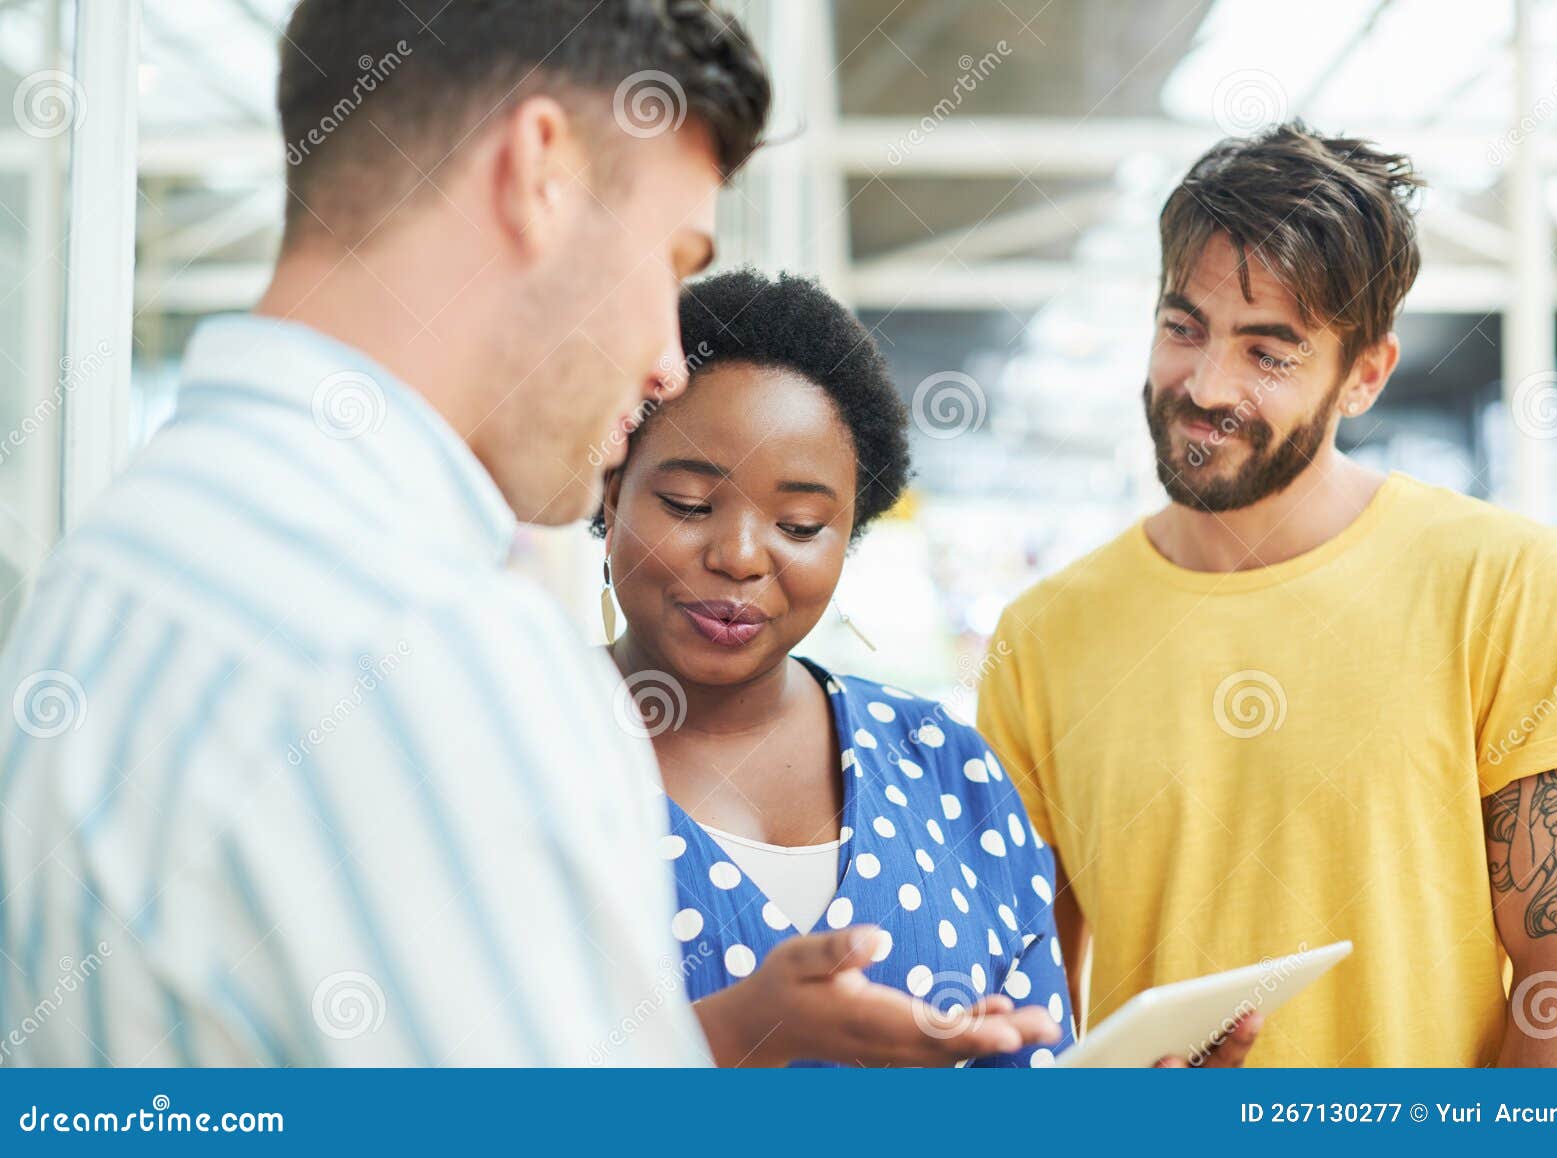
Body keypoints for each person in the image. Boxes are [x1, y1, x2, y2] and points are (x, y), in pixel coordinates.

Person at [0, 0, 1042, 1068]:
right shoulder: (432, 645)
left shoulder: (122, 560)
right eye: (667, 263)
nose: (666, 363)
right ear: (539, 172)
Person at [978, 121, 1557, 1067]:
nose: (1205, 384)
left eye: (1269, 353)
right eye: (1183, 327)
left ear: (1364, 377)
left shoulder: (1504, 582)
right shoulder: (1042, 635)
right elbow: (1023, 1006)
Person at [599, 269, 1260, 1067]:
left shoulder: (948, 773)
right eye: (687, 506)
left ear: (851, 534)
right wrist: (735, 1036)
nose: (740, 556)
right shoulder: (510, 749)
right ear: (610, 493)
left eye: (801, 525)